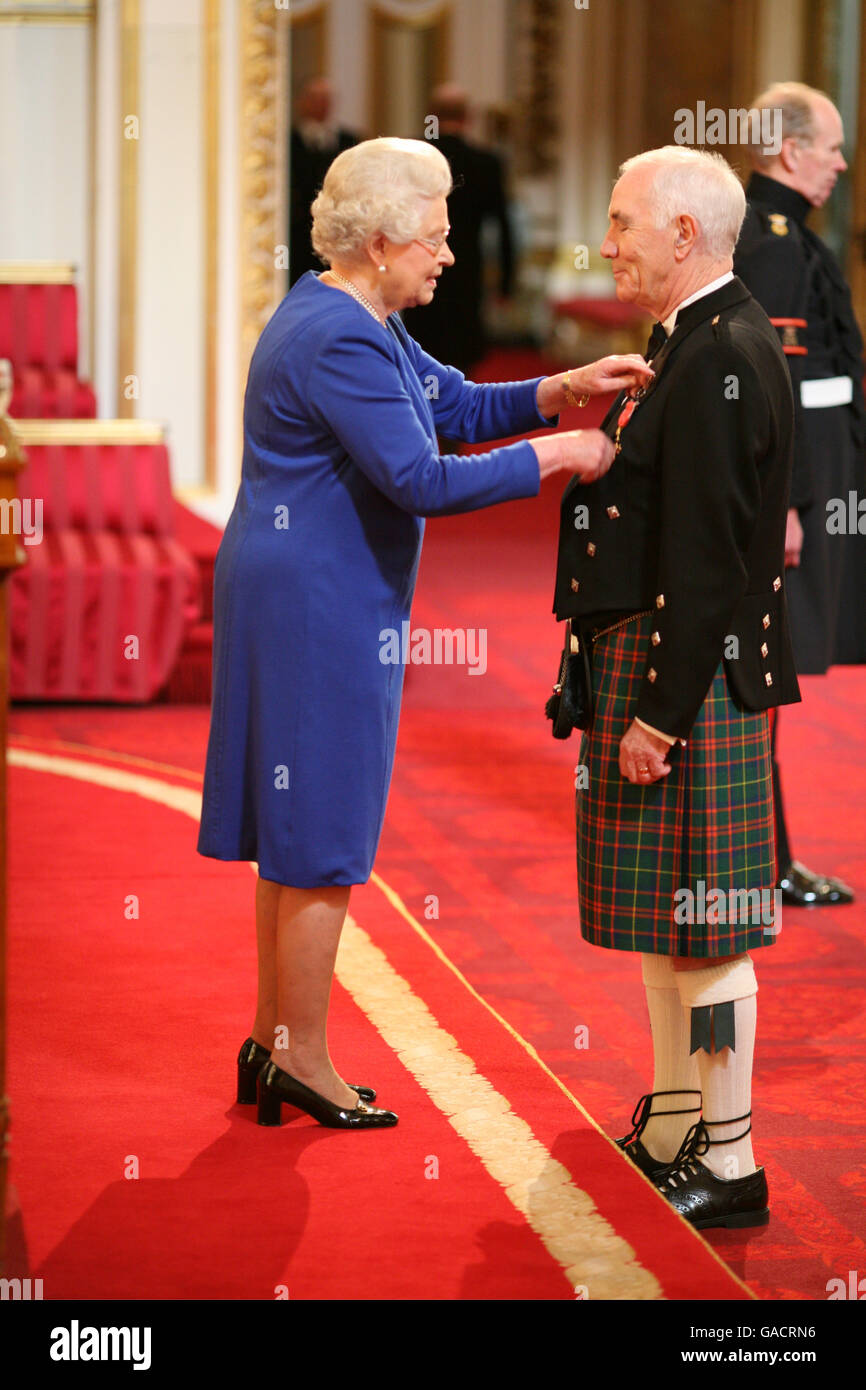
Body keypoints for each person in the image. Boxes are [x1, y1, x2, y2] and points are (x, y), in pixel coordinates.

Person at [197, 137, 652, 1132]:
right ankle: (303, 1057)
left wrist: (562, 385)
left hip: (302, 588)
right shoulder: (342, 335)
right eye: (434, 239)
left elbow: (447, 404)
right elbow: (420, 478)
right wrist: (559, 452)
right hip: (317, 602)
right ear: (376, 241)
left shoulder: (354, 312)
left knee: (296, 826)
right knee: (319, 831)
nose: (448, 256)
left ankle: (275, 1041)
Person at [553, 146, 800, 1227]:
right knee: (671, 924)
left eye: (620, 222)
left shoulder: (716, 353)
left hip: (683, 681)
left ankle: (732, 1156)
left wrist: (655, 712)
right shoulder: (695, 340)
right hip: (666, 665)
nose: (606, 242)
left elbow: (706, 556)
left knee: (707, 933)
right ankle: (672, 1116)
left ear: (683, 235)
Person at [734, 81, 865, 907]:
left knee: (775, 664)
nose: (842, 162)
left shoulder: (783, 232)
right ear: (791, 151)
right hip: (801, 485)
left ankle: (768, 854)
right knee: (767, 663)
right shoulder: (772, 240)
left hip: (817, 477)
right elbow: (770, 379)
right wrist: (781, 501)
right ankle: (765, 859)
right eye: (831, 146)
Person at [402, 84, 514, 376]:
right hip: (467, 272)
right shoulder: (486, 162)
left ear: (432, 116)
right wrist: (506, 283)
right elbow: (503, 225)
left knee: (420, 352)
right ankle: (458, 415)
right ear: (468, 117)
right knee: (461, 362)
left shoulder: (413, 160)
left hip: (418, 266)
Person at [289, 77, 359, 286]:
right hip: (297, 236)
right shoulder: (287, 141)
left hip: (338, 235)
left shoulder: (349, 142)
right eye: (314, 99)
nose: (321, 104)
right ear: (301, 103)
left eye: (326, 99)